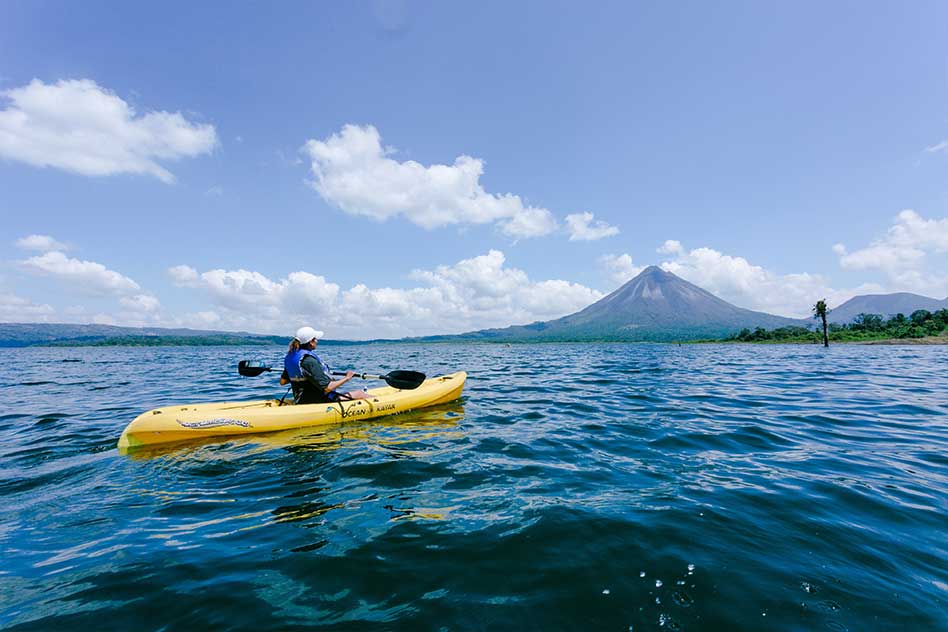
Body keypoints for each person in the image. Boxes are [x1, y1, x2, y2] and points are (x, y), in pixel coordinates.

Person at [281, 326, 370, 404]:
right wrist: (347, 377)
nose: (317, 341)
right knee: (359, 393)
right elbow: (327, 388)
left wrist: (302, 378)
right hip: (318, 400)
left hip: (300, 399)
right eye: (315, 339)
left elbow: (283, 382)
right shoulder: (309, 361)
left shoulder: (291, 357)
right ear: (311, 342)